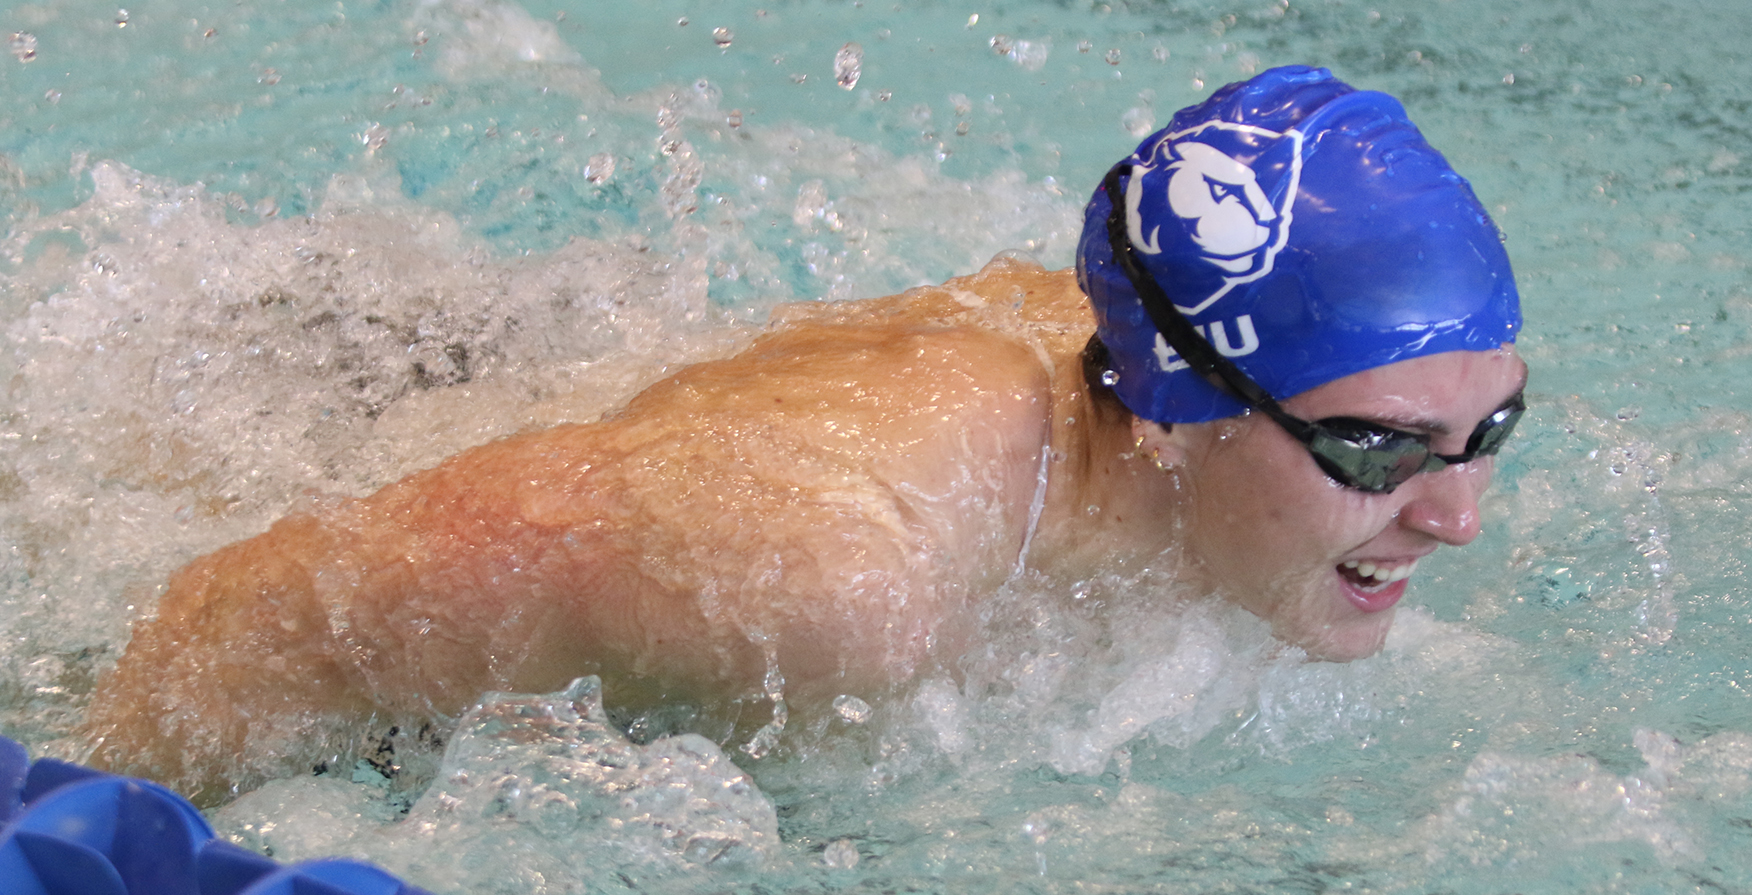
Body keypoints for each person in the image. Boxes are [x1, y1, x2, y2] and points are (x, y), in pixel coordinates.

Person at [75, 66, 1527, 802]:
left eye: (1489, 432)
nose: (1455, 516)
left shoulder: (1153, 414)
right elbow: (248, 622)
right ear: (1175, 414)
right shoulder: (830, 573)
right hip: (199, 433)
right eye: (1378, 451)